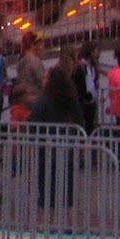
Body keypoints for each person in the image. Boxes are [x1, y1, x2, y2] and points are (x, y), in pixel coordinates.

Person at [29, 67, 84, 219]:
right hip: (68, 151)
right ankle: (67, 220)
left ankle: (49, 220)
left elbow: (33, 126)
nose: (43, 81)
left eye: (45, 78)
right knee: (67, 187)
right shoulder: (72, 102)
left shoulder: (42, 102)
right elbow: (80, 123)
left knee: (47, 189)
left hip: (46, 151)